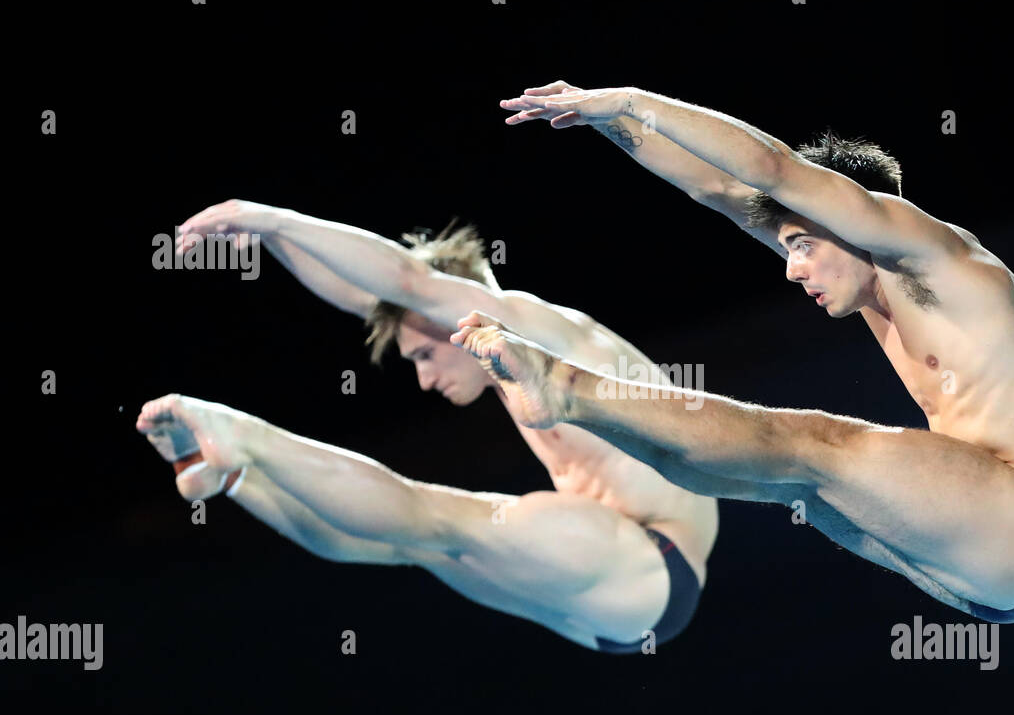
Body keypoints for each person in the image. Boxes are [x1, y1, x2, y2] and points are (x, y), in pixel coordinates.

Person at [485, 81, 1014, 622]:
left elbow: (774, 168)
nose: (791, 269)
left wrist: (629, 97)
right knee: (781, 481)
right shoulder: (874, 282)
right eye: (788, 248)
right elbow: (718, 189)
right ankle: (580, 411)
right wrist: (604, 120)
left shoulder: (933, 254)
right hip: (980, 565)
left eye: (803, 246)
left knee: (814, 443)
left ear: (854, 215)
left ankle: (566, 385)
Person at [141, 201, 719, 652]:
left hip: (652, 563)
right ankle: (232, 473)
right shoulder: (502, 357)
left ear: (456, 316)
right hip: (604, 602)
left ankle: (243, 435)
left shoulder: (541, 330)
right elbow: (371, 296)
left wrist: (267, 217)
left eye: (423, 355)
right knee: (403, 541)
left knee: (434, 516)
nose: (423, 380)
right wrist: (276, 240)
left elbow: (407, 282)